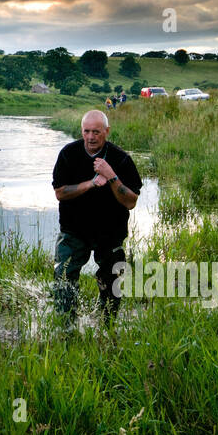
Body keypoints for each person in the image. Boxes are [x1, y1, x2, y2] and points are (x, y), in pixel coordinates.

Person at [51, 109, 143, 323]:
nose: (91, 137)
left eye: (96, 132)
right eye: (86, 132)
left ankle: (106, 325)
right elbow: (60, 193)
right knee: (63, 276)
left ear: (107, 131)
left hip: (110, 231)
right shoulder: (68, 154)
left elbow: (130, 201)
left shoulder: (121, 159)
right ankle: (66, 326)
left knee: (112, 279)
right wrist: (91, 184)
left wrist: (111, 177)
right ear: (81, 131)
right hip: (74, 229)